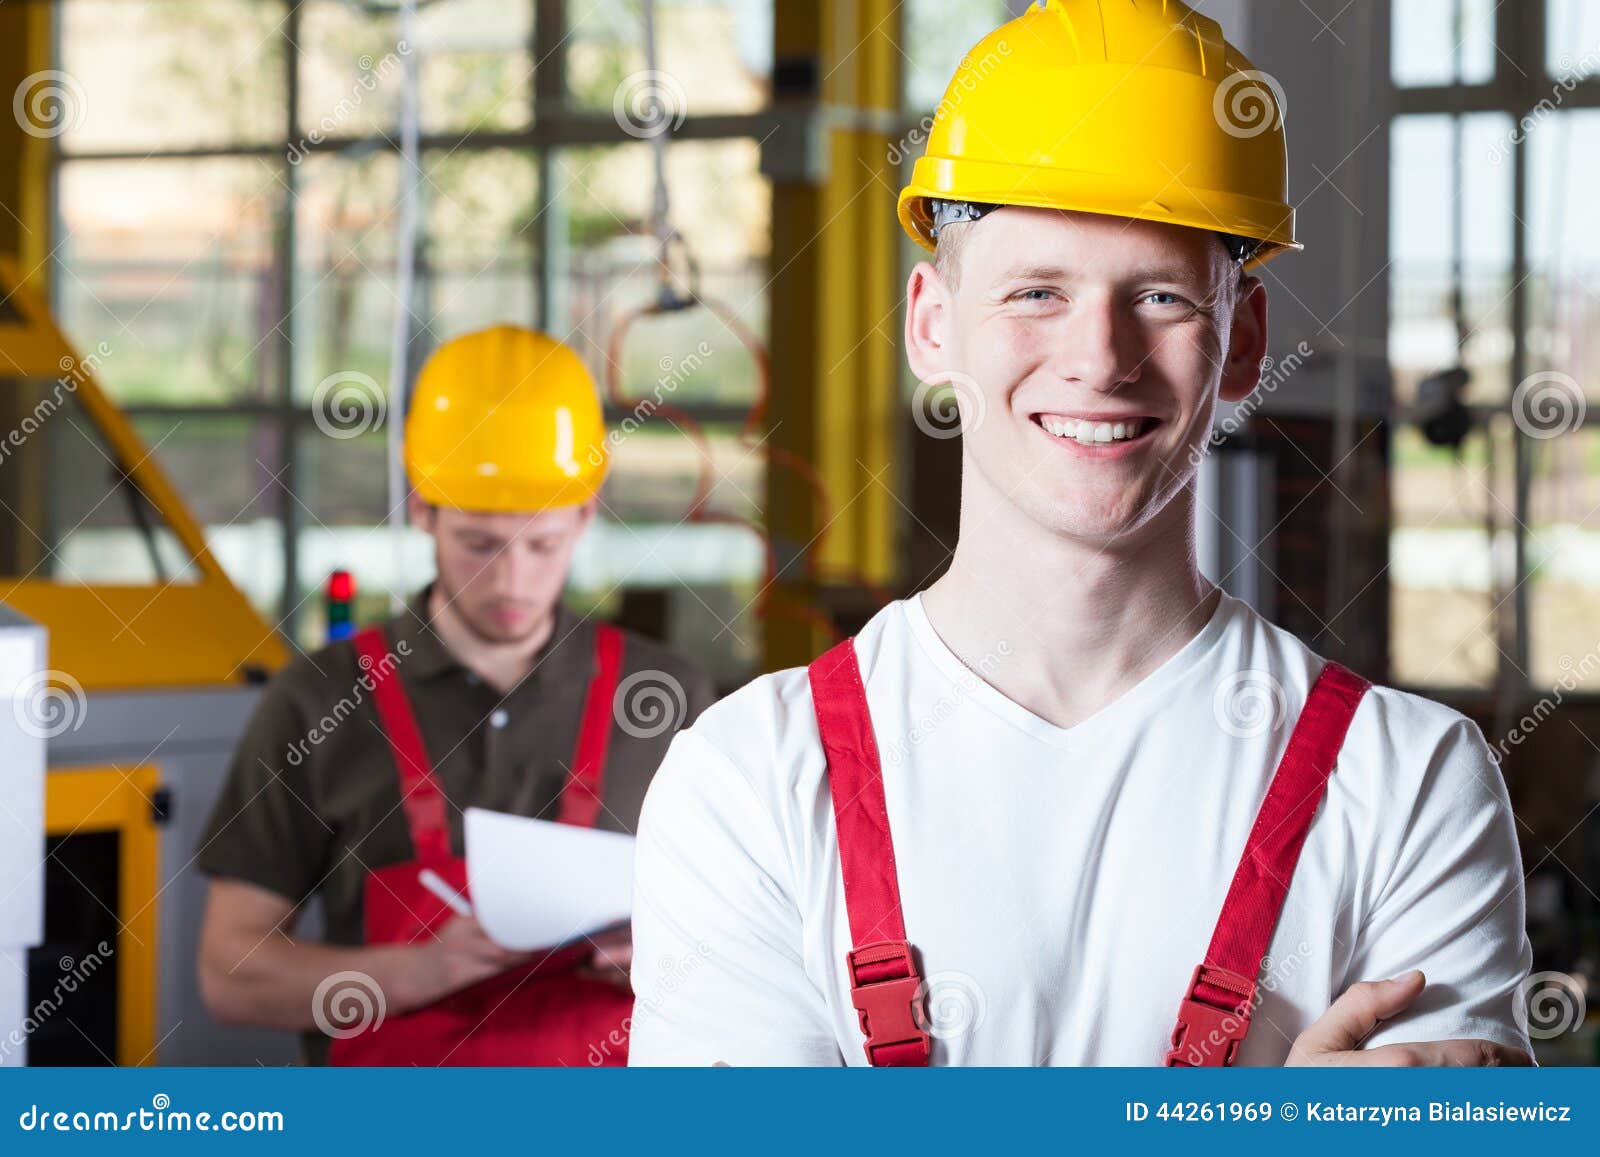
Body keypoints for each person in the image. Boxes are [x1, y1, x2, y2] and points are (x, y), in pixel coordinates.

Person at [626, 0, 1534, 1066]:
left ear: (1242, 343)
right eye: (1035, 291)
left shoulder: (1409, 784)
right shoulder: (749, 783)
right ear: (930, 324)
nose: (1098, 358)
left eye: (1157, 297)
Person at [197, 325, 715, 1066]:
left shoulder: (666, 696)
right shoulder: (318, 700)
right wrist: (413, 972)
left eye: (541, 546)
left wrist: (670, 965)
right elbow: (229, 974)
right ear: (421, 509)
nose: (510, 583)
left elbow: (760, 946)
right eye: (478, 544)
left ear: (586, 512)